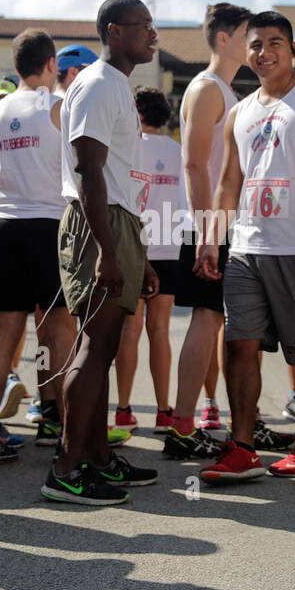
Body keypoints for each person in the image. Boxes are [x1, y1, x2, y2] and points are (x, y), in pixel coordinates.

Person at [196, 10, 295, 484]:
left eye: (275, 43)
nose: (264, 53)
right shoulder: (239, 112)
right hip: (246, 250)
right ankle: (242, 447)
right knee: (240, 347)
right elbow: (227, 184)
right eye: (256, 45)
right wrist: (212, 239)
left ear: (293, 49)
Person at [47, 0, 161, 505]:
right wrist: (108, 251)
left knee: (105, 349)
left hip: (118, 224)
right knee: (92, 348)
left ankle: (95, 459)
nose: (153, 36)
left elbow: (115, 174)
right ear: (115, 32)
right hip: (99, 225)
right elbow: (89, 171)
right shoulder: (95, 83)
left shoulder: (115, 85)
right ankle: (66, 469)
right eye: (144, 27)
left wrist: (138, 253)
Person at [0, 28, 76, 459]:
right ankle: (58, 424)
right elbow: (83, 173)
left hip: (5, 227)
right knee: (58, 330)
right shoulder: (59, 107)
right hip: (49, 225)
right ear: (51, 65)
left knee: (4, 333)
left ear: (15, 68)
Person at [164, 3, 254, 458]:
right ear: (223, 38)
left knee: (215, 321)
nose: (253, 41)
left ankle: (195, 421)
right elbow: (193, 163)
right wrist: (208, 232)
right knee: (205, 319)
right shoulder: (206, 89)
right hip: (209, 228)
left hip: (225, 227)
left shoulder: (227, 92)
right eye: (246, 33)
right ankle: (181, 427)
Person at [115, 87, 185, 430]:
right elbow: (186, 207)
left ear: (135, 114)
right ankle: (163, 410)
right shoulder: (177, 151)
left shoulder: (127, 148)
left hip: (132, 245)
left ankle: (124, 410)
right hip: (169, 246)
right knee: (160, 330)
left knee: (130, 330)